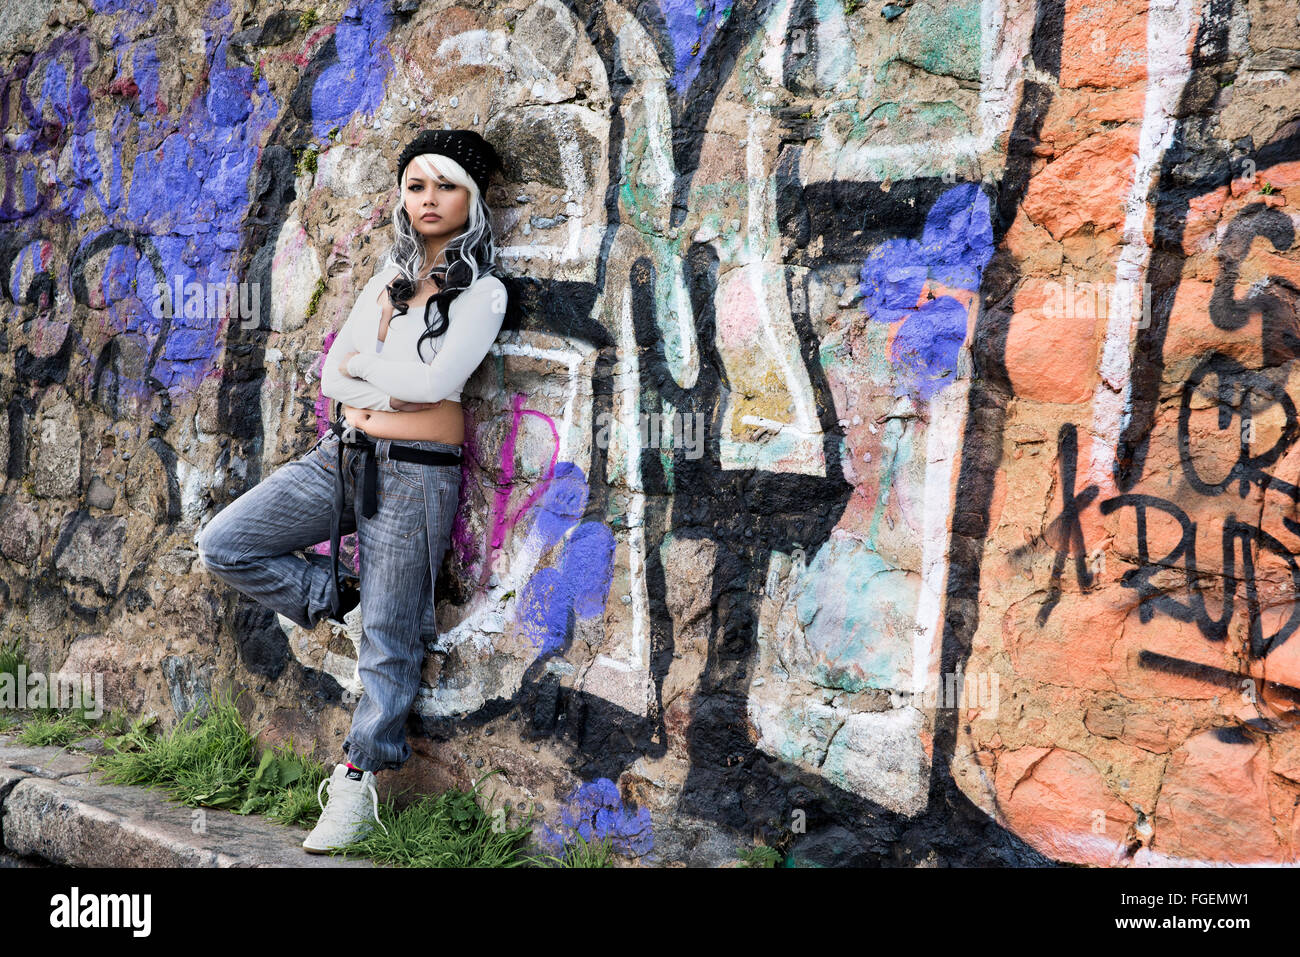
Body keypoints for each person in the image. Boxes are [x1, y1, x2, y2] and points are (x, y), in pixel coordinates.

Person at [196, 129, 508, 853]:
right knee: (225, 541)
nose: (428, 199)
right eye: (416, 185)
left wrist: (373, 369)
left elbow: (437, 385)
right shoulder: (386, 279)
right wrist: (376, 378)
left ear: (472, 199)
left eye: (446, 186)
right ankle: (335, 595)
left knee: (390, 644)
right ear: (401, 195)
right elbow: (332, 377)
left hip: (419, 470)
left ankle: (357, 779)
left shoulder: (484, 292)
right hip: (345, 453)